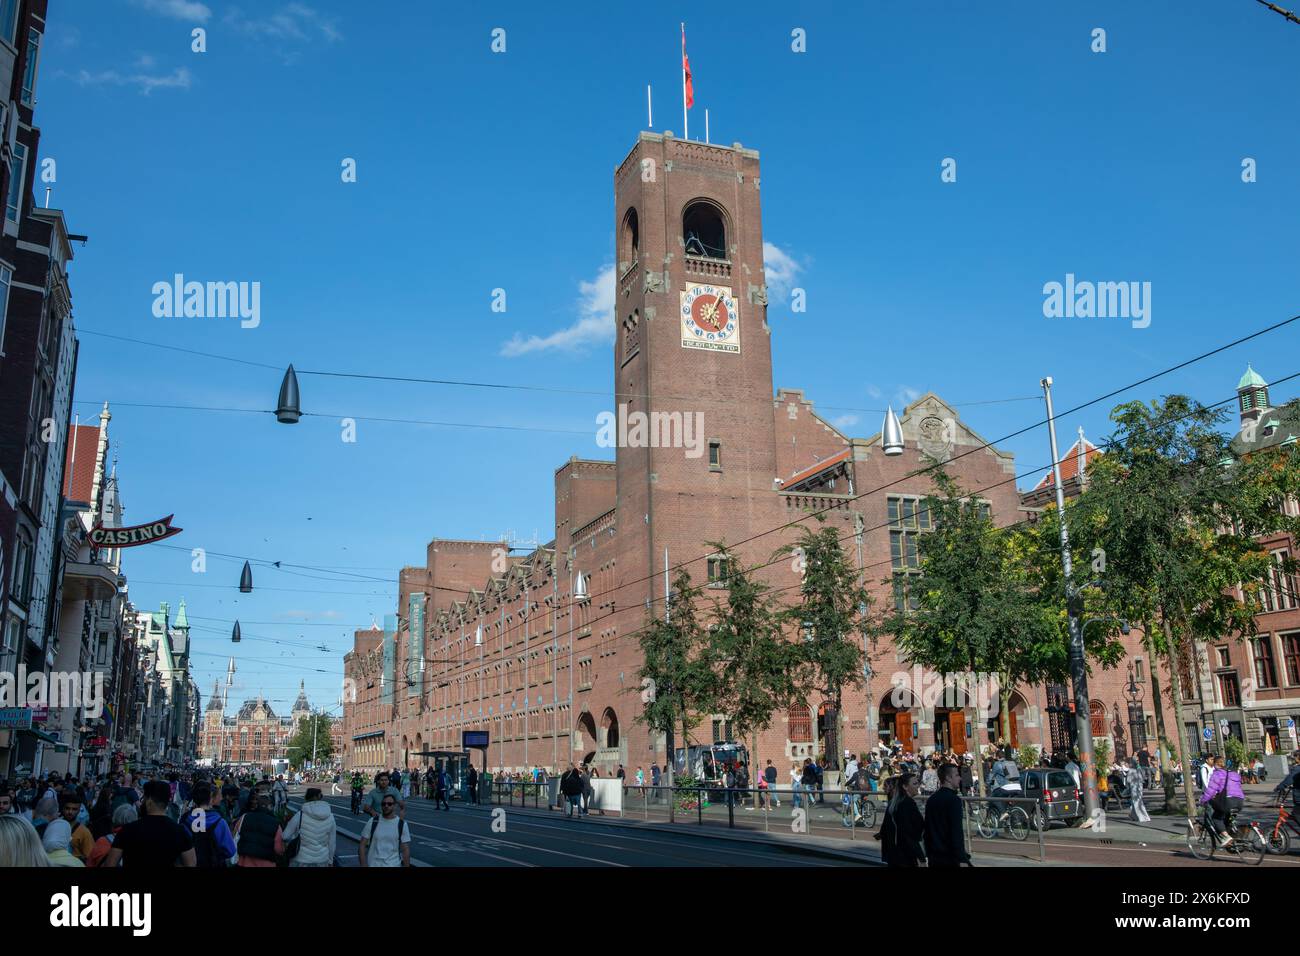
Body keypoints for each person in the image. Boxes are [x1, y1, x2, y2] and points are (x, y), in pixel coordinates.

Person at [105, 780, 196, 868]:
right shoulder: (180, 832)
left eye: (144, 798)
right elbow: (191, 864)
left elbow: (110, 864)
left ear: (149, 802)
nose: (142, 801)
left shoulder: (127, 830)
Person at [924, 763, 971, 867]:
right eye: (957, 775)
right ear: (948, 778)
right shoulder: (954, 800)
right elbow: (956, 831)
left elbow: (927, 830)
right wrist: (961, 857)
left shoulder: (932, 799)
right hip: (949, 857)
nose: (960, 778)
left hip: (934, 856)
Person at [183, 783, 237, 868]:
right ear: (211, 798)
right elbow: (230, 851)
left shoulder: (184, 819)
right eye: (219, 795)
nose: (221, 798)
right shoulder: (219, 822)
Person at [880, 771, 926, 867]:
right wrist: (921, 856)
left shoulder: (896, 803)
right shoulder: (907, 804)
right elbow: (907, 833)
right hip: (905, 855)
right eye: (914, 783)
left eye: (918, 783)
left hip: (896, 853)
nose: (918, 786)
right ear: (905, 787)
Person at [283, 787, 336, 867]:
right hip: (322, 860)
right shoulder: (330, 817)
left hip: (301, 860)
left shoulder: (300, 815)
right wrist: (330, 860)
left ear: (306, 798)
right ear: (321, 797)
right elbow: (332, 842)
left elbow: (285, 836)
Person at [1200, 758, 1245, 848]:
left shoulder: (1217, 774)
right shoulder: (1234, 774)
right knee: (1227, 819)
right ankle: (1233, 840)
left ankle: (1226, 837)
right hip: (1240, 801)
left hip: (1228, 801)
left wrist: (1203, 801)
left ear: (1216, 764)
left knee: (1216, 818)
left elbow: (1210, 791)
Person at [232, 790, 284, 867]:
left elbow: (234, 836)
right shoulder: (276, 823)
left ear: (257, 805)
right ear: (270, 806)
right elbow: (278, 849)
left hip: (244, 861)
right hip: (266, 863)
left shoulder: (244, 817)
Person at [359, 793, 410, 867]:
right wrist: (363, 864)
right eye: (383, 804)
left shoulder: (401, 824)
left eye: (389, 804)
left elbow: (405, 849)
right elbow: (362, 845)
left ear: (395, 806)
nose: (386, 806)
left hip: (394, 864)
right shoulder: (373, 821)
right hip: (374, 864)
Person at [57, 793, 94, 861]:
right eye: (67, 808)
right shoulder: (55, 826)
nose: (70, 812)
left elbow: (89, 857)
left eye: (74, 809)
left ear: (79, 810)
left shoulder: (84, 832)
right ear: (63, 809)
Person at [1125, 757, 1151, 823]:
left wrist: (1127, 786)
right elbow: (1142, 778)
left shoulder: (1131, 771)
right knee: (1137, 801)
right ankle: (1133, 815)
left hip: (1134, 788)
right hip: (1139, 787)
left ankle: (1142, 817)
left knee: (1136, 802)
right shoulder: (1138, 770)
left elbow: (1128, 780)